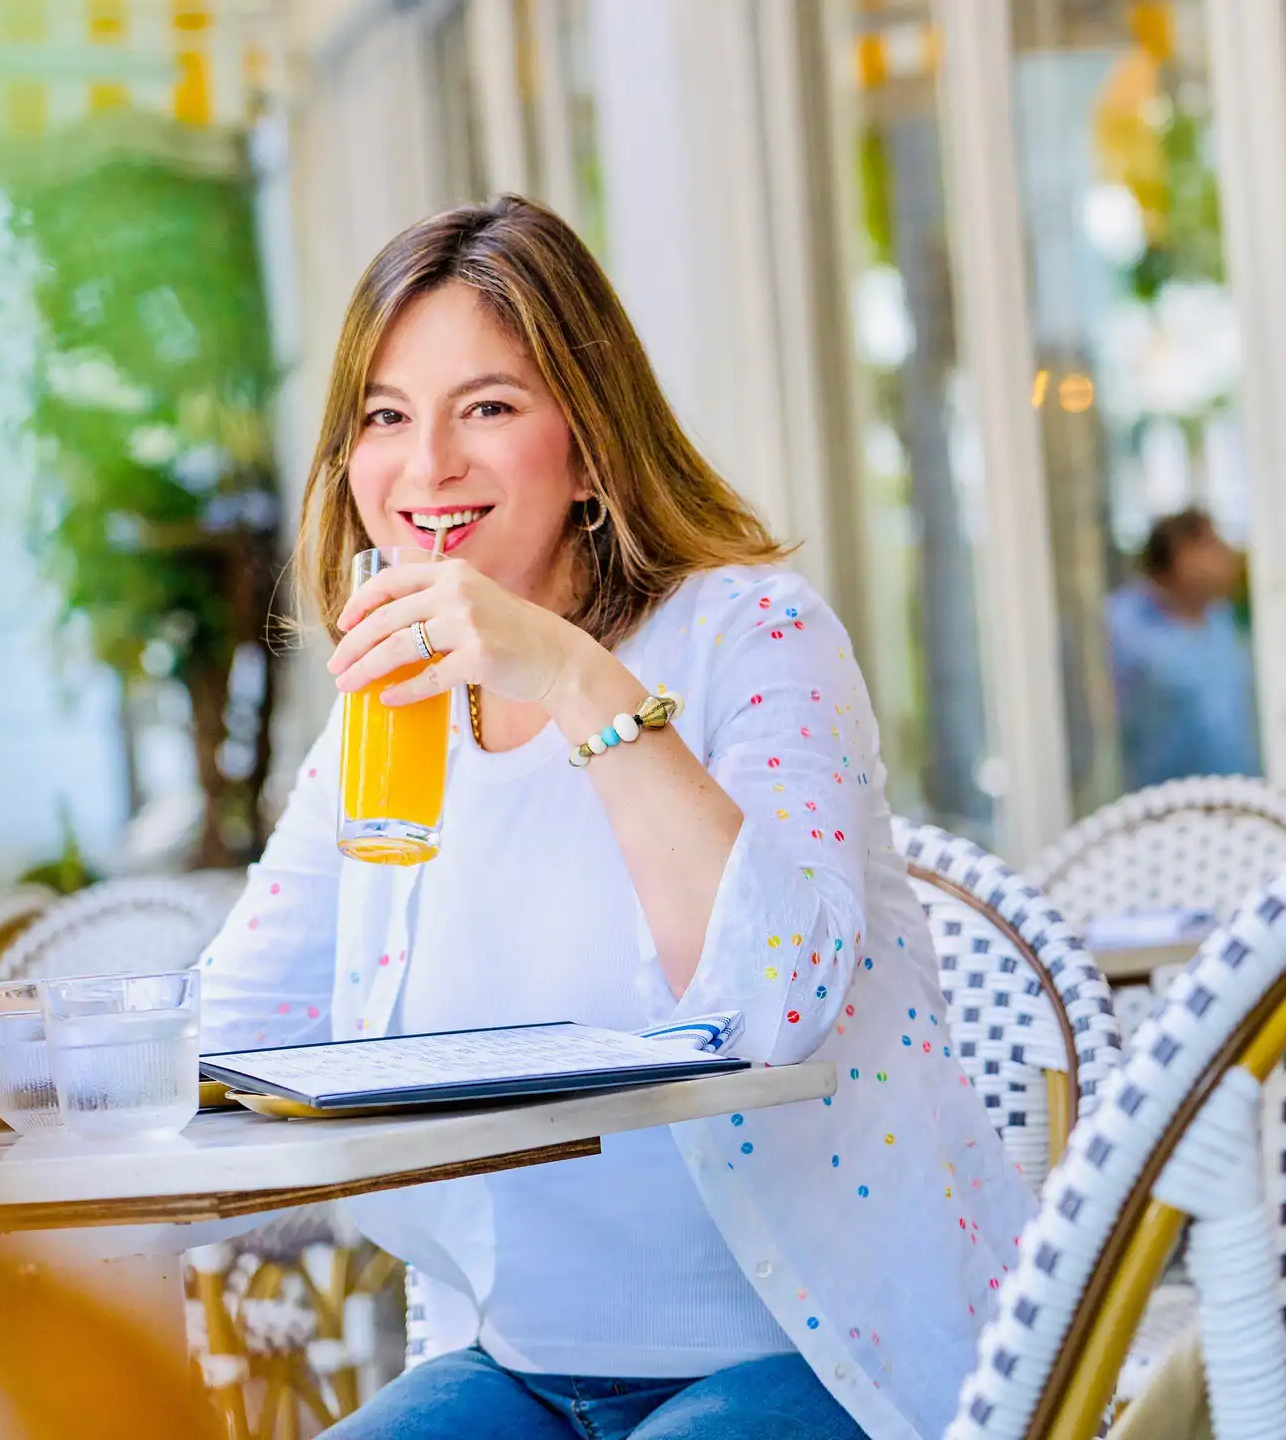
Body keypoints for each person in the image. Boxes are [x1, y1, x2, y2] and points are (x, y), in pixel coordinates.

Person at [199, 195, 1033, 1440]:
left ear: (589, 448)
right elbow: (234, 1025)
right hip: (519, 1366)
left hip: (816, 1351)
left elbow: (780, 1002)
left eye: (487, 406)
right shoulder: (389, 715)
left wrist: (572, 674)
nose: (427, 466)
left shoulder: (757, 636)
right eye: (385, 416)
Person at [1107, 507, 1260, 792]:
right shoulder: (1123, 625)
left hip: (1236, 798)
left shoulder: (1220, 617)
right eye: (1211, 545)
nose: (1226, 554)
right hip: (1162, 807)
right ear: (1182, 555)